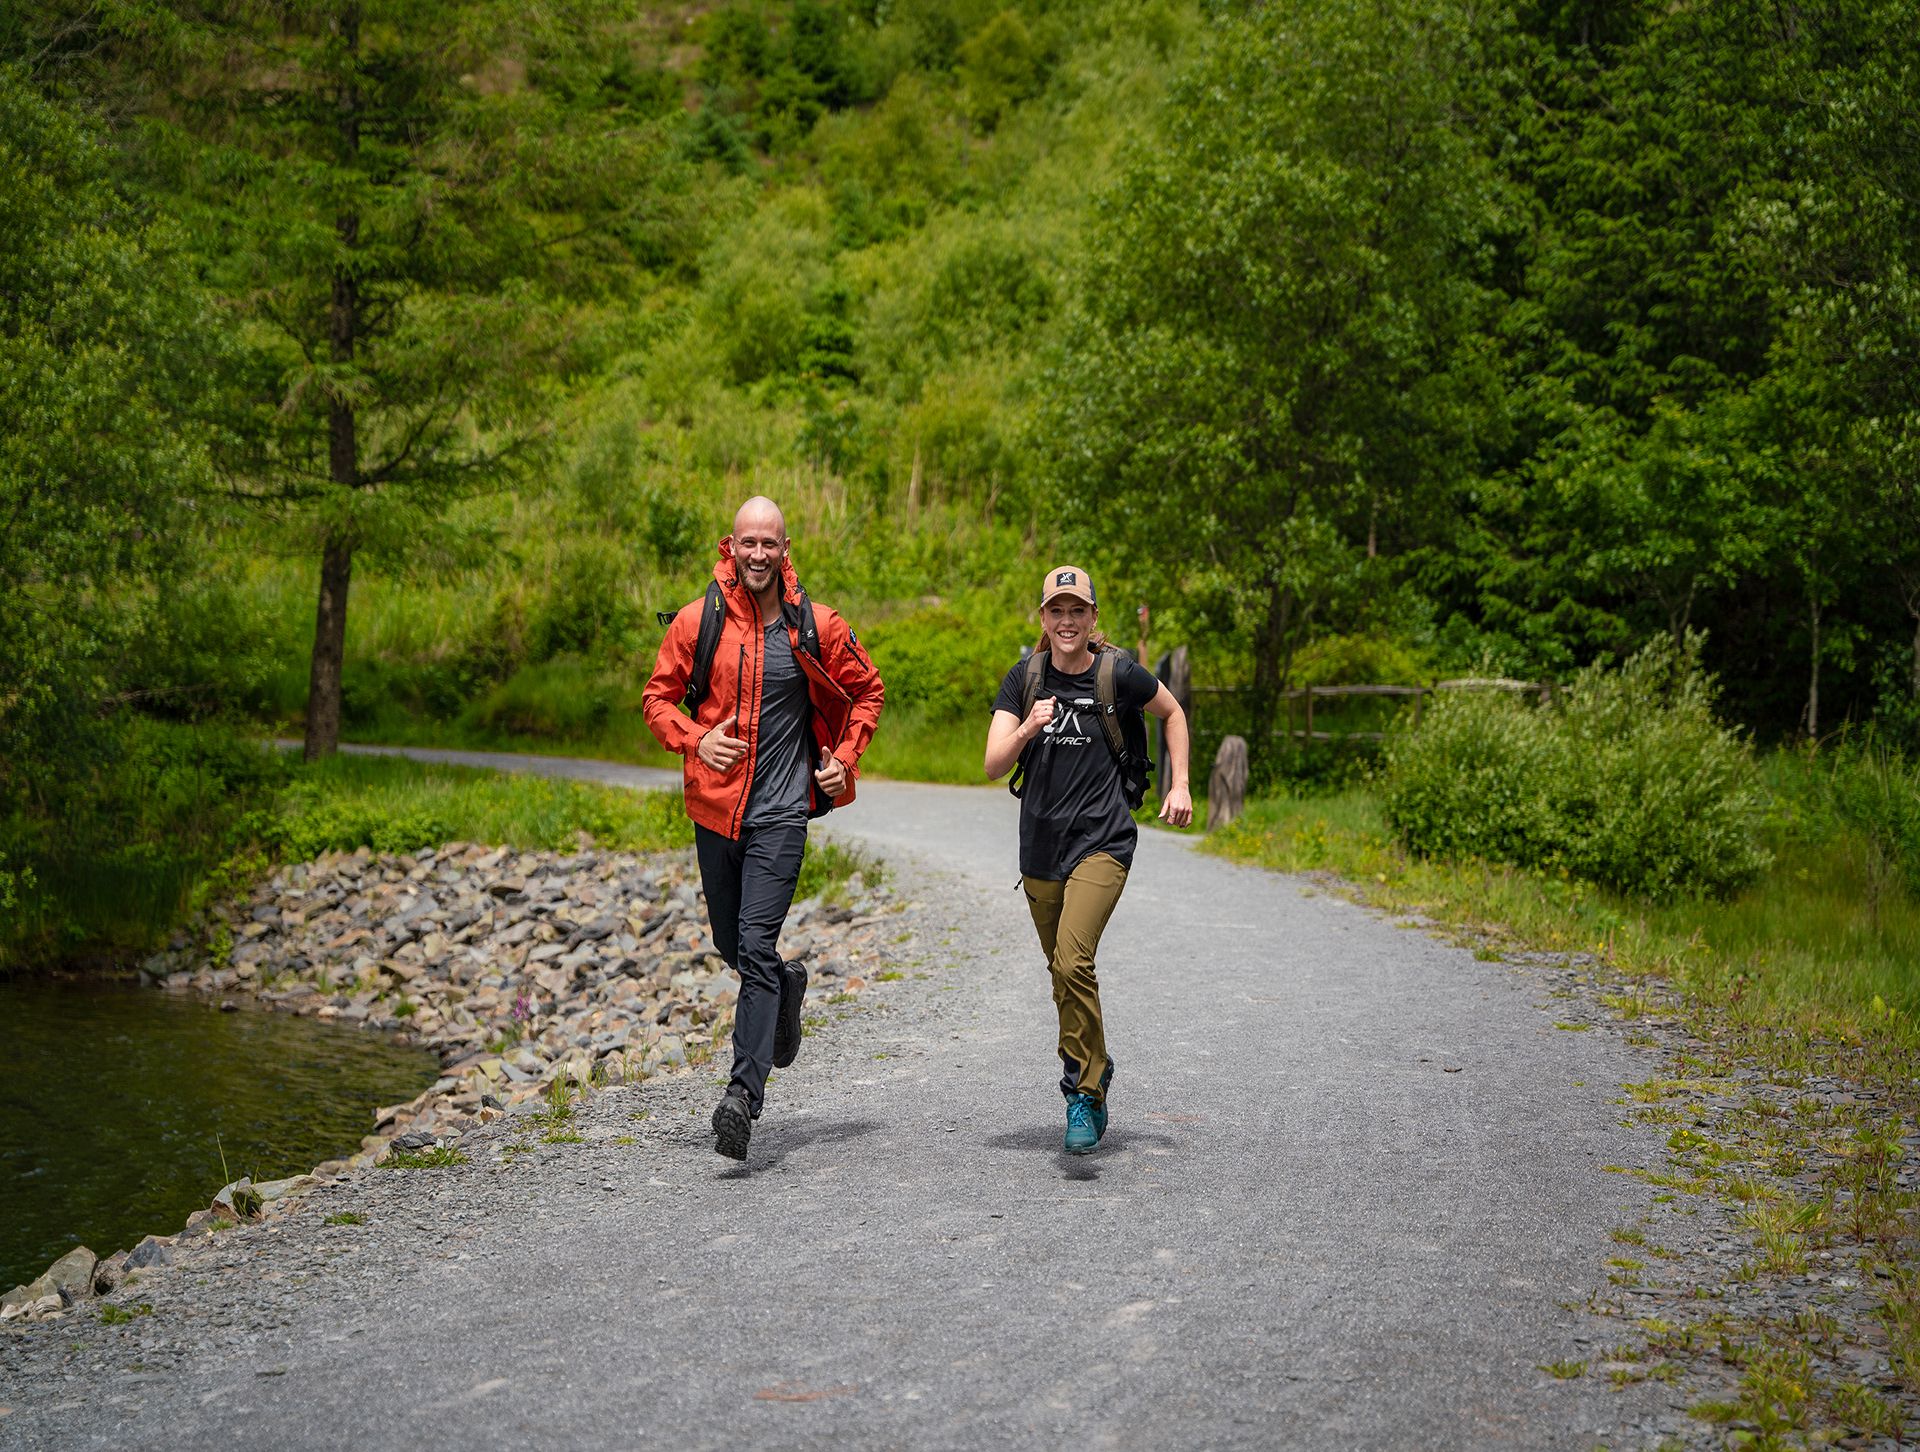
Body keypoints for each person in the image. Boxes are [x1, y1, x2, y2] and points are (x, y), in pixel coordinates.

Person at [643, 497, 885, 1160]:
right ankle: (786, 984)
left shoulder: (818, 625)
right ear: (731, 545)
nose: (758, 554)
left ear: (784, 548)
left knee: (752, 945)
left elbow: (869, 691)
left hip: (782, 814)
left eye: (769, 544)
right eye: (748, 543)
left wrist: (843, 760)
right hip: (715, 810)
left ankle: (741, 1099)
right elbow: (657, 699)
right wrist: (696, 739)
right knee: (733, 942)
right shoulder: (700, 621)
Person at [984, 565, 1192, 1155]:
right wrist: (1027, 727)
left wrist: (1180, 785)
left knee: (1073, 960)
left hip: (1103, 841)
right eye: (1057, 611)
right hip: (1040, 849)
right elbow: (994, 763)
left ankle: (1082, 1089)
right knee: (1061, 973)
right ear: (1042, 619)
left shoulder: (1117, 673)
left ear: (1093, 618)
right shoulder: (1022, 679)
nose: (1067, 621)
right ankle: (1094, 1073)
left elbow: (1172, 713)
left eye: (1078, 611)